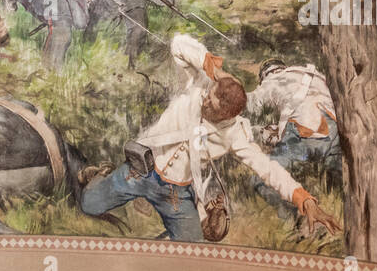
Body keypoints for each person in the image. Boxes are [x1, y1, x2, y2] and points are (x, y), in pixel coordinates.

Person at [80, 34, 339, 241]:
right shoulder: (201, 84)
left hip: (174, 192)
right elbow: (179, 43)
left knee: (193, 251)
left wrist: (304, 199)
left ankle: (194, 220)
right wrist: (213, 70)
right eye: (210, 96)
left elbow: (269, 170)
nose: (205, 102)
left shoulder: (236, 134)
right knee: (89, 204)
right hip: (139, 169)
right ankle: (99, 175)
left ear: (226, 114)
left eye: (213, 106)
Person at [247, 58, 341, 224]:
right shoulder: (311, 72)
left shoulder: (271, 82)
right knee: (336, 181)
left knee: (261, 179)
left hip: (304, 134)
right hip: (335, 131)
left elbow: (249, 104)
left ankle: (299, 218)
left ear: (264, 75)